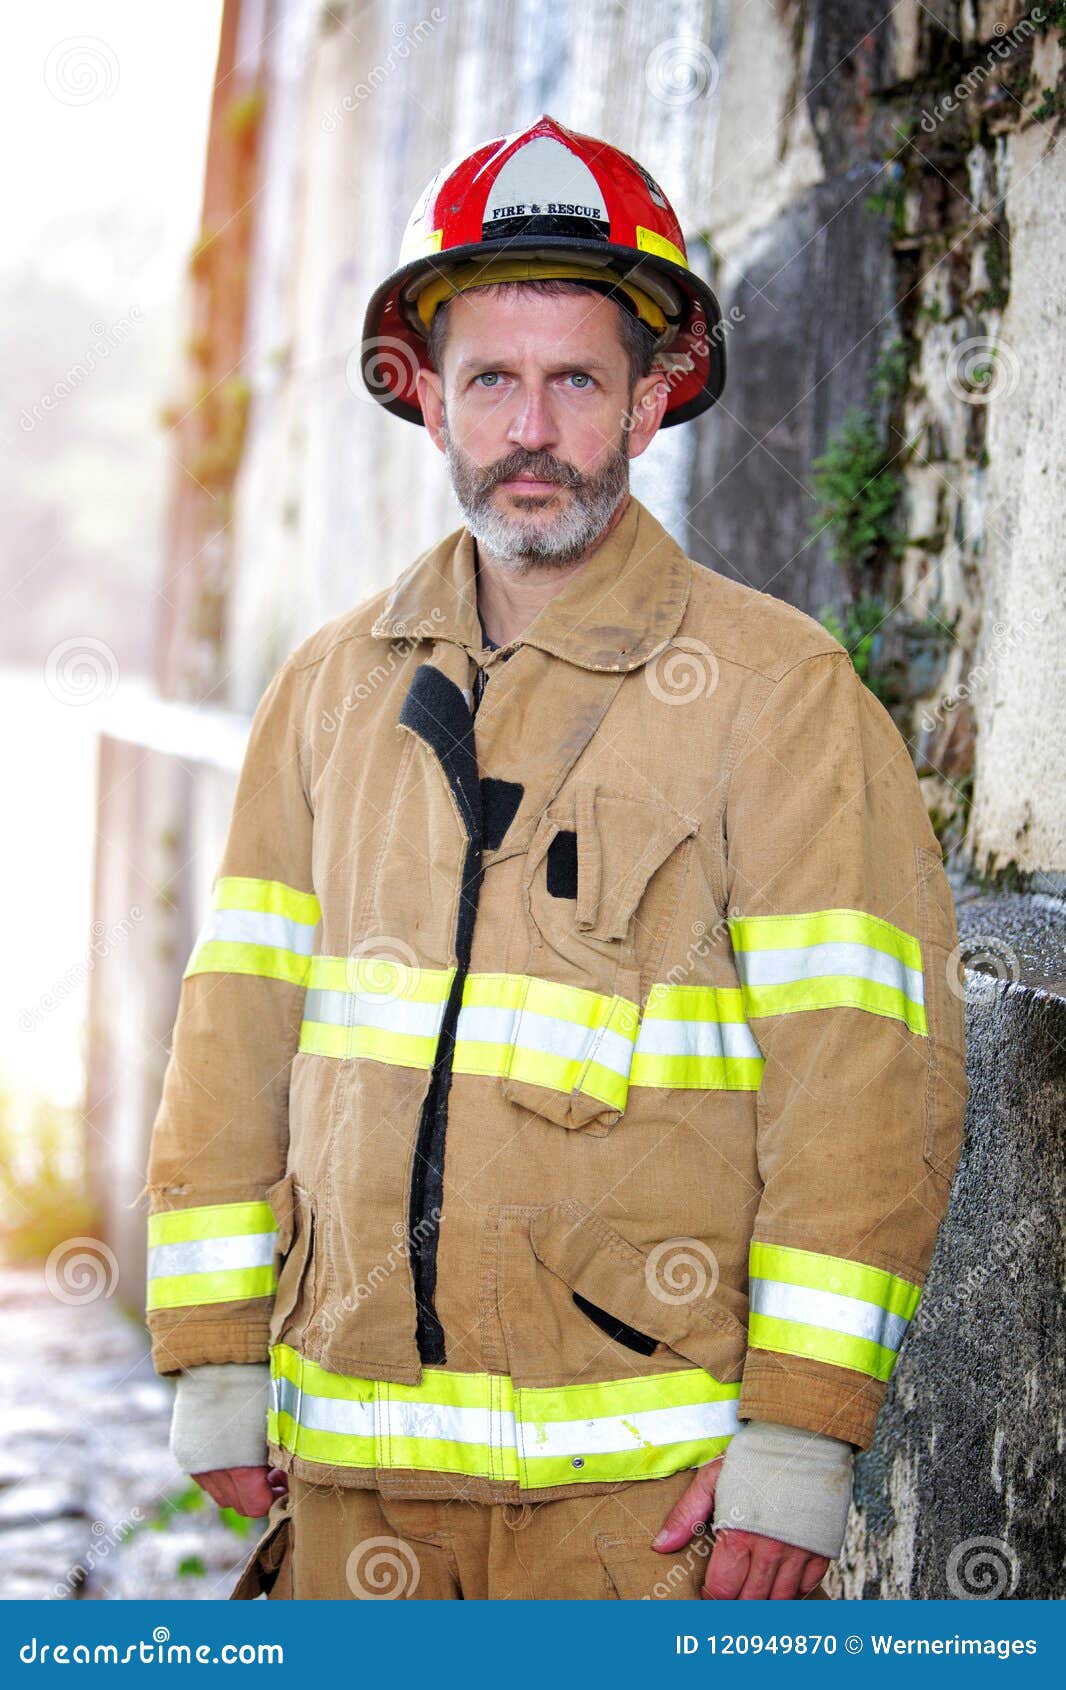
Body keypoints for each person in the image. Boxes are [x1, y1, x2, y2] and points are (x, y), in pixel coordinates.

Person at [142, 115, 967, 1601]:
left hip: (642, 1515)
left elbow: (863, 1073)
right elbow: (233, 1035)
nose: (532, 428)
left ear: (649, 404)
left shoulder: (776, 691)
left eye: (576, 380)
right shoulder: (329, 690)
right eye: (492, 381)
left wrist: (796, 1430)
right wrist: (211, 1354)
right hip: (353, 1482)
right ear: (425, 396)